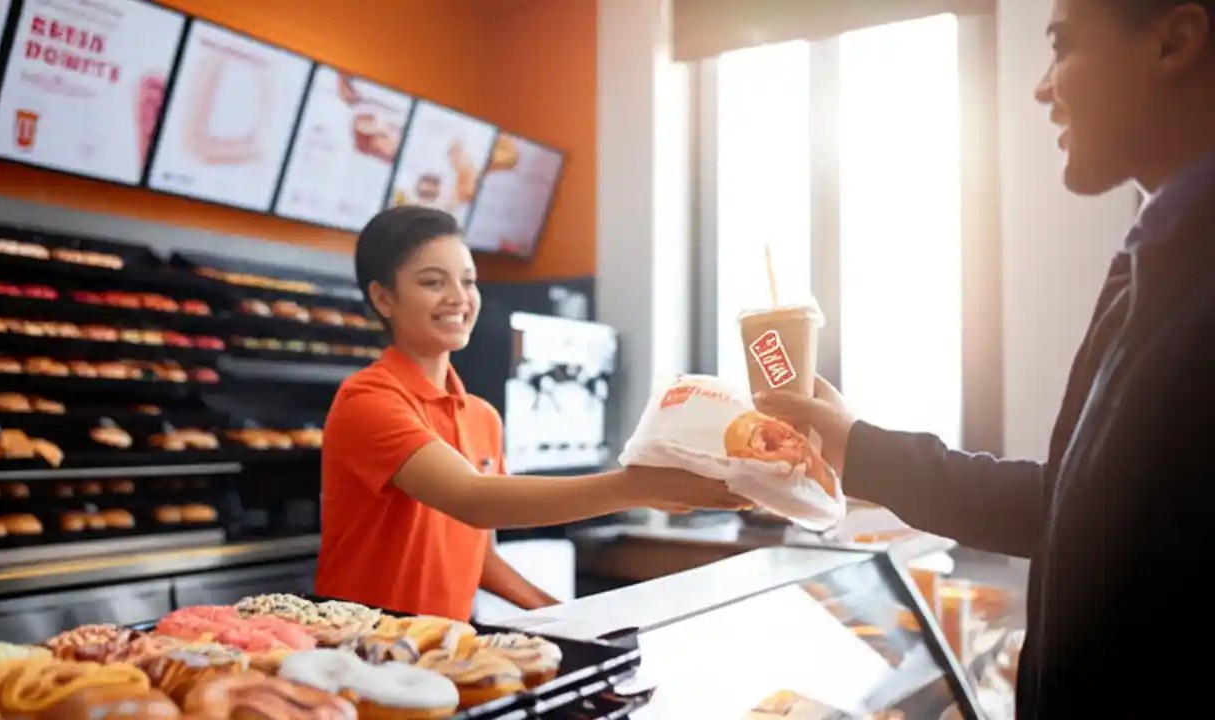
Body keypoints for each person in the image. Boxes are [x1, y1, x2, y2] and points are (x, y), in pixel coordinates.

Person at [756, 0, 1215, 715]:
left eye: (1062, 47)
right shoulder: (1153, 259)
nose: (1042, 88)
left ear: (1175, 42)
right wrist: (855, 447)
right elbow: (1069, 508)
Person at [316, 205, 746, 621]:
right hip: (357, 655)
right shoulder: (368, 401)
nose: (458, 298)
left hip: (439, 655)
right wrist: (636, 486)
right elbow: (471, 500)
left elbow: (479, 557)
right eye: (432, 282)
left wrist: (565, 616)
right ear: (383, 298)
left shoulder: (482, 417)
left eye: (468, 281)